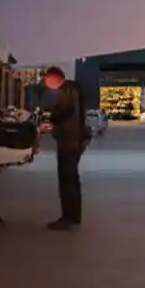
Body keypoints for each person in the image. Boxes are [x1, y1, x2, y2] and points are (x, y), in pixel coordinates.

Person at [43, 67, 87, 230]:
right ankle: (74, 215)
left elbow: (62, 112)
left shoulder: (67, 91)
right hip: (74, 139)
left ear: (54, 78)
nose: (46, 83)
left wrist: (51, 117)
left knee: (67, 179)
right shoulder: (73, 89)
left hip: (69, 140)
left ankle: (67, 217)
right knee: (72, 180)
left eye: (47, 79)